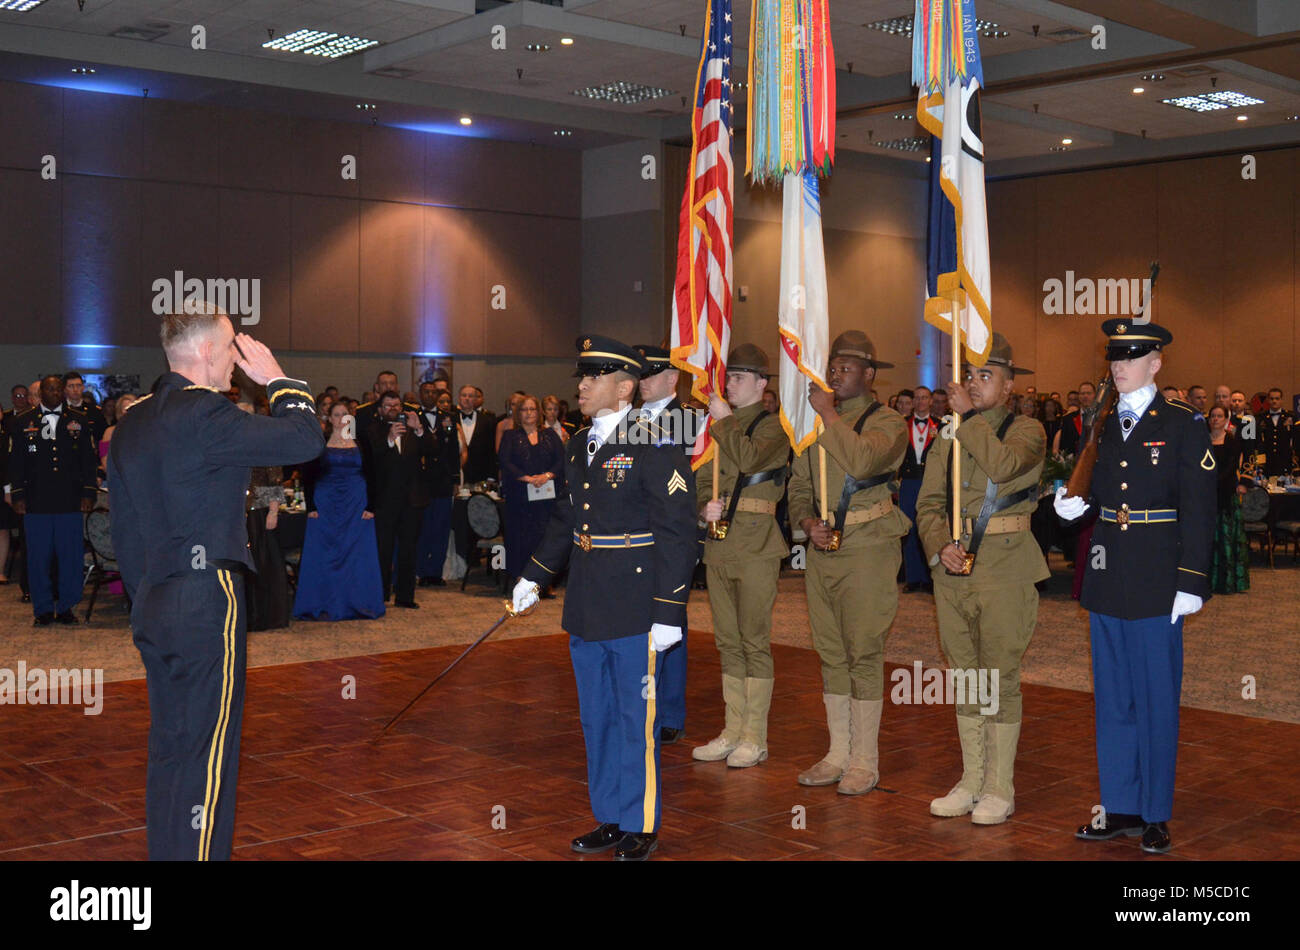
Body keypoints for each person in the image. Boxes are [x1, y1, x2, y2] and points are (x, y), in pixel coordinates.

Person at [108, 305, 322, 860]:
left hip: (155, 597)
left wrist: (150, 592)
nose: (236, 362)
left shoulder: (135, 419)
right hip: (206, 600)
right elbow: (304, 439)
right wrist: (279, 380)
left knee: (172, 746)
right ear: (205, 352)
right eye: (232, 350)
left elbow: (124, 531)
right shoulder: (206, 414)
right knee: (209, 751)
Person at [511, 334, 697, 861]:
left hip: (637, 604)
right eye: (582, 376)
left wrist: (669, 611)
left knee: (635, 717)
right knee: (596, 716)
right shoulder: (576, 443)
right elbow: (568, 519)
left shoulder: (655, 439)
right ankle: (611, 816)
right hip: (588, 599)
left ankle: (641, 823)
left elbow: (679, 531)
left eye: (594, 377)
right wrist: (533, 576)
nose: (582, 385)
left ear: (624, 388)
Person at [1054, 317, 1215, 855]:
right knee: (1113, 700)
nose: (1119, 366)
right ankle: (1120, 806)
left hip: (1158, 580)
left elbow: (1199, 507)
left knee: (1155, 699)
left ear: (1156, 362)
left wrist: (1191, 580)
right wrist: (1072, 507)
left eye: (1131, 357)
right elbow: (1098, 494)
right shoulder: (1097, 423)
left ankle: (1155, 813)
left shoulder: (1182, 423)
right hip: (1107, 575)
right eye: (1114, 358)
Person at [917, 334, 1048, 825]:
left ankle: (999, 786)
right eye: (970, 375)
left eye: (985, 376)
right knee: (966, 676)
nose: (973, 383)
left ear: (1009, 386)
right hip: (954, 569)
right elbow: (928, 502)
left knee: (999, 675)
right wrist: (938, 546)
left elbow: (1004, 465)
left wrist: (968, 418)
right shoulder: (948, 434)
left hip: (1005, 567)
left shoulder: (1027, 430)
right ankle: (971, 779)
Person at [786, 331, 909, 794]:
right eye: (833, 366)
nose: (837, 373)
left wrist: (827, 412)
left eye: (848, 366)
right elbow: (799, 483)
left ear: (870, 374)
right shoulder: (819, 425)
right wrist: (806, 521)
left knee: (863, 651)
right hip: (824, 550)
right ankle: (838, 752)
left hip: (869, 547)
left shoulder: (888, 421)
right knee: (831, 653)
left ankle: (865, 760)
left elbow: (862, 462)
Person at [691, 344, 788, 768]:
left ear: (762, 383)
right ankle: (732, 730)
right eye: (728, 377)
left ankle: (756, 735)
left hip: (756, 544)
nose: (729, 384)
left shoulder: (773, 427)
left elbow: (750, 459)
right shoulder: (717, 425)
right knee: (728, 642)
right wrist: (701, 509)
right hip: (720, 543)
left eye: (739, 378)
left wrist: (723, 421)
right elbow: (701, 479)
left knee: (754, 641)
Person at [634, 343, 695, 745]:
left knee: (670, 622)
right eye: (639, 375)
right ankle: (641, 704)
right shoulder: (627, 419)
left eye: (650, 374)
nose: (641, 382)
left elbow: (687, 481)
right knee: (635, 624)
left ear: (672, 379)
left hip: (668, 535)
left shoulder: (687, 419)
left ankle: (670, 710)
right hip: (633, 536)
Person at [7, 374, 97, 625]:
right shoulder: (23, 421)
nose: (56, 393)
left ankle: (67, 606)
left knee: (70, 556)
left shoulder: (78, 420)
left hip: (70, 500)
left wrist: (88, 492)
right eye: (51, 389)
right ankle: (43, 609)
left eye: (59, 389)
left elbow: (88, 460)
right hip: (36, 501)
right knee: (38, 558)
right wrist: (18, 495)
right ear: (41, 392)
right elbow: (16, 464)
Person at [294, 401, 386, 620]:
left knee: (356, 553)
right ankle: (324, 603)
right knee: (325, 553)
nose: (341, 418)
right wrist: (312, 506)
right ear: (329, 418)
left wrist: (371, 506)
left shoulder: (362, 441)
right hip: (325, 502)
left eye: (345, 414)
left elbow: (373, 475)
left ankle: (357, 602)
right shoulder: (320, 441)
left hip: (356, 502)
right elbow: (309, 477)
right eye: (337, 414)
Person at [366, 392, 432, 608]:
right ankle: (382, 593)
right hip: (385, 500)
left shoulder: (413, 427)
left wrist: (420, 428)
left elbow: (434, 451)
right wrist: (389, 439)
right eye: (388, 405)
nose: (393, 408)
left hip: (412, 500)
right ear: (380, 409)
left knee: (408, 549)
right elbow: (369, 460)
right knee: (383, 549)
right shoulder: (373, 429)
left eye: (396, 405)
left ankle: (405, 596)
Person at [498, 394, 565, 586]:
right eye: (524, 409)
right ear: (518, 413)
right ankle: (521, 578)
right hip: (520, 498)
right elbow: (505, 462)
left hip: (546, 498)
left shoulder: (550, 435)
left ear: (539, 412)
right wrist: (527, 478)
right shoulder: (511, 436)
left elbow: (561, 461)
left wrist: (547, 476)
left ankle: (545, 582)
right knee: (520, 538)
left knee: (545, 538)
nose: (529, 413)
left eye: (532, 409)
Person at [416, 387, 461, 586]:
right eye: (425, 392)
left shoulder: (449, 417)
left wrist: (455, 480)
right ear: (420, 395)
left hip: (443, 480)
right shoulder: (413, 417)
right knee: (424, 527)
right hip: (421, 480)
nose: (429, 396)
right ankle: (421, 571)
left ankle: (435, 572)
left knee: (441, 528)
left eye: (433, 393)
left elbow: (453, 451)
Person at [898, 385, 939, 592]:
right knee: (909, 528)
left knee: (931, 528)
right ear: (913, 402)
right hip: (908, 482)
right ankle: (913, 578)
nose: (921, 401)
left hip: (932, 482)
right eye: (917, 398)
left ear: (931, 401)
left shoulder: (941, 425)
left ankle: (931, 578)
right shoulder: (902, 424)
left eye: (924, 398)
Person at [1206, 405, 1250, 594]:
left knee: (1226, 538)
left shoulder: (1232, 440)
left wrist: (1214, 481)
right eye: (1213, 416)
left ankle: (1227, 581)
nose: (1215, 419)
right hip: (1206, 495)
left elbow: (1231, 468)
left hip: (1225, 494)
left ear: (1225, 419)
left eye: (1219, 416)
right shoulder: (1202, 440)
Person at [457, 384, 497, 485]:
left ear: (475, 399)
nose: (467, 398)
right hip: (457, 476)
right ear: (459, 398)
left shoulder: (487, 421)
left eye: (470, 396)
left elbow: (491, 450)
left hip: (480, 475)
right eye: (464, 395)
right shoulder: (451, 419)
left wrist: (491, 477)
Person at [63, 372, 108, 444]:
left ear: (83, 387)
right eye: (71, 386)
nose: (75, 389)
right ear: (64, 389)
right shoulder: (60, 410)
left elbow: (102, 436)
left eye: (78, 385)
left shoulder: (94, 411)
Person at [1258, 387, 1293, 476]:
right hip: (1267, 462)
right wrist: (1261, 464)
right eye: (1272, 399)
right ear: (1268, 400)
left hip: (1285, 461)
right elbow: (1259, 442)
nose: (1274, 401)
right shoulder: (1261, 418)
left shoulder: (1290, 417)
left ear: (1281, 400)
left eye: (1277, 398)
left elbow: (1295, 439)